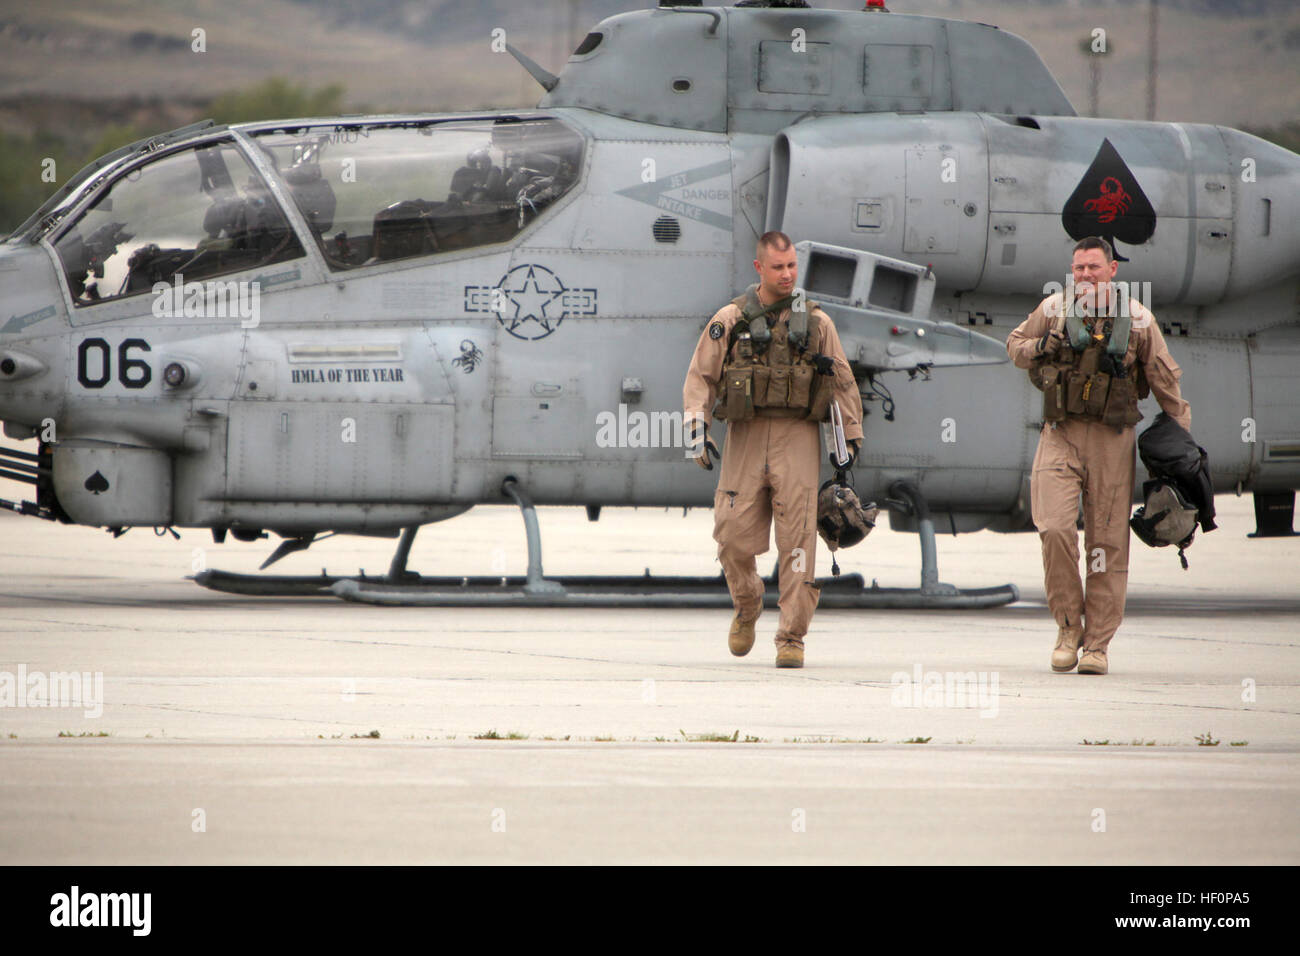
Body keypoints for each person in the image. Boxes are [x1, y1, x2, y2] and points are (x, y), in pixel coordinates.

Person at [1006, 236, 1191, 675]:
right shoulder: (1053, 310)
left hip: (1112, 440)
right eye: (1078, 268)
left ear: (1113, 270)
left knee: (1106, 545)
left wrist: (1183, 452)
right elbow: (1014, 346)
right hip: (1060, 434)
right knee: (1053, 528)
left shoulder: (1139, 320)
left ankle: (1097, 645)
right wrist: (1040, 347)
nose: (1085, 275)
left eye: (1093, 267)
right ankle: (1069, 628)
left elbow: (1166, 383)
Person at [683, 231, 864, 668]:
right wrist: (696, 427)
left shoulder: (817, 324)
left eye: (792, 267)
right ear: (759, 269)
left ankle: (791, 637)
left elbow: (842, 381)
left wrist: (850, 440)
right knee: (731, 534)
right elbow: (701, 377)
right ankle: (747, 605)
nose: (787, 275)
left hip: (797, 437)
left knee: (798, 540)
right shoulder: (729, 319)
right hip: (745, 436)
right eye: (778, 267)